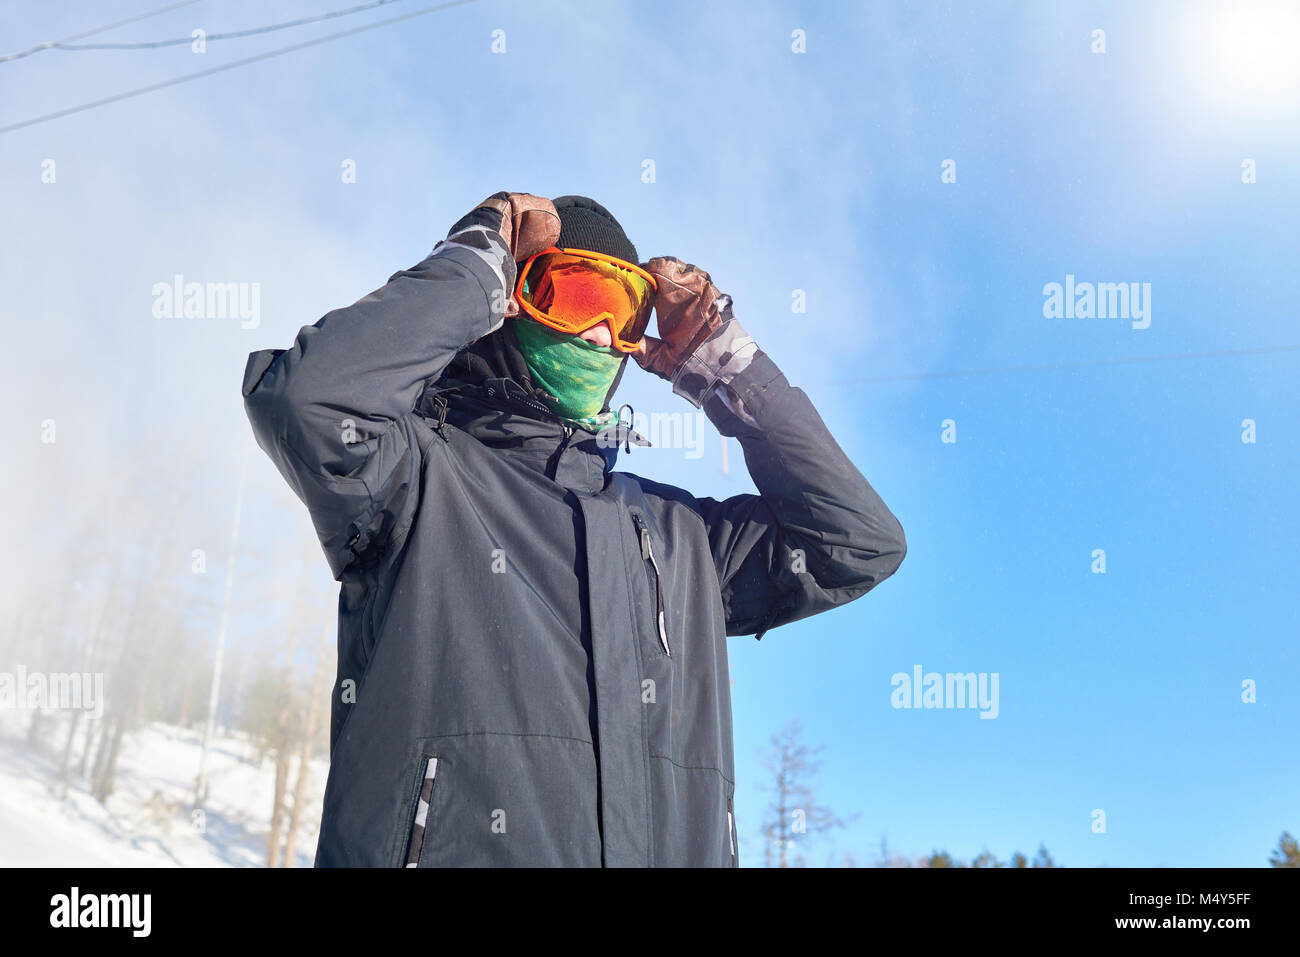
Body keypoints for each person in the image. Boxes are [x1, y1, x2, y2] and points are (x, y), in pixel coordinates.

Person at [242, 191, 906, 867]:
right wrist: (474, 264)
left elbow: (856, 543)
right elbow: (306, 400)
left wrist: (722, 365)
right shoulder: (415, 480)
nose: (597, 334)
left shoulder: (683, 540)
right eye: (577, 294)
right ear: (516, 299)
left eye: (622, 315)